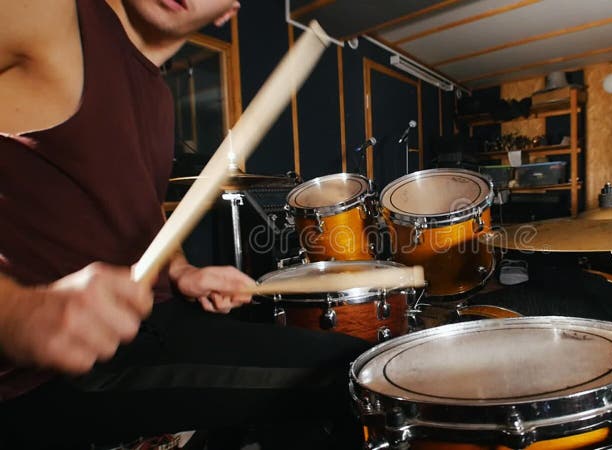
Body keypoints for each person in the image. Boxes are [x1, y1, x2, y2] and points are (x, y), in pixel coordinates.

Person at [0, 1, 369, 448]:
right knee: (354, 374)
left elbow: (144, 211)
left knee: (353, 369)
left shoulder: (158, 97)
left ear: (225, 13)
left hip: (154, 322)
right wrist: (20, 314)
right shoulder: (48, 14)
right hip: (53, 371)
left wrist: (182, 272)